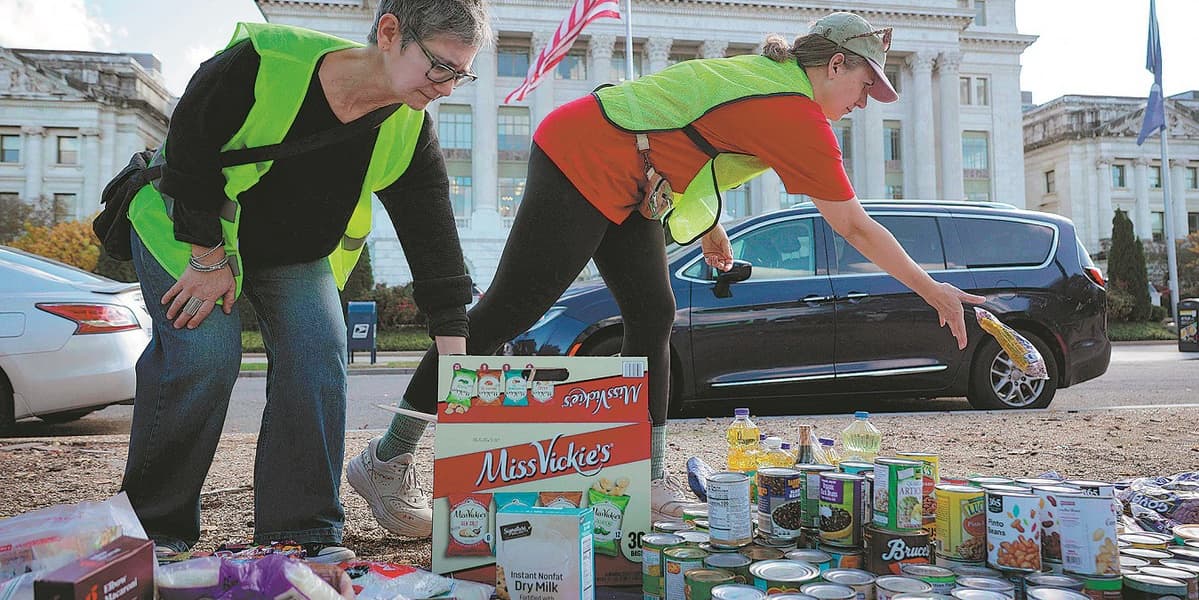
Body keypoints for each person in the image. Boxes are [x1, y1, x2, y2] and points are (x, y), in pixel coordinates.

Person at [347, 11, 986, 533]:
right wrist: (933, 290)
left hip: (630, 176)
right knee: (506, 313)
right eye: (866, 85)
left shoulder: (771, 81)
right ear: (836, 65)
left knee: (653, 313)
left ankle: (643, 479)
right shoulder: (794, 109)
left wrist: (708, 227)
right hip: (583, 152)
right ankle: (387, 458)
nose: (868, 102)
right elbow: (854, 226)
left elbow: (686, 127)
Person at [119, 0, 490, 561]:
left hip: (291, 253)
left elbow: (433, 236)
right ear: (390, 32)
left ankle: (301, 533)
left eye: (461, 74)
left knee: (318, 354)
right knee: (203, 355)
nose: (448, 87)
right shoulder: (264, 62)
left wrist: (453, 349)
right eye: (440, 67)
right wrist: (208, 257)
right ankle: (153, 531)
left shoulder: (409, 127)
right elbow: (190, 150)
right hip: (188, 228)